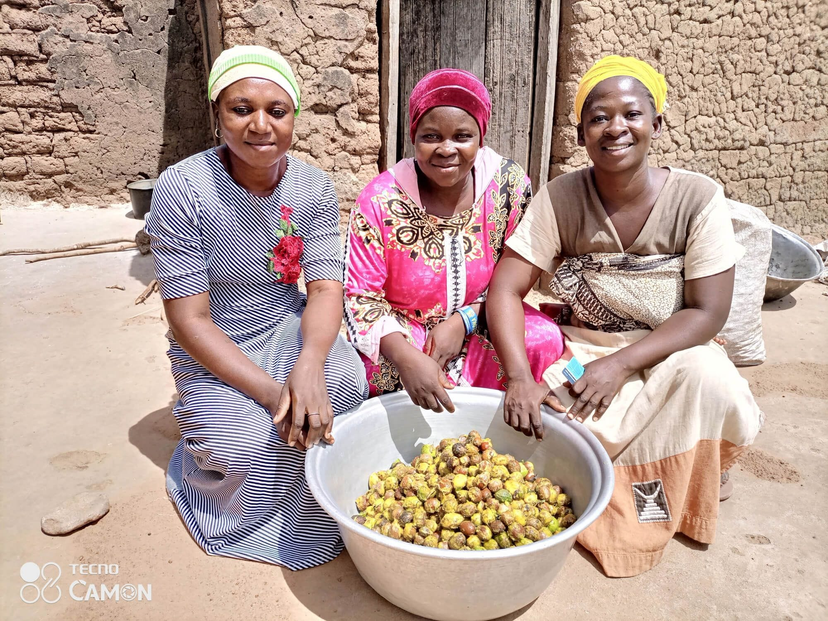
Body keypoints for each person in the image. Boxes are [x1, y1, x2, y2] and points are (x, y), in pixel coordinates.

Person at [487, 56, 762, 577]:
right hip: (582, 352)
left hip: (670, 352)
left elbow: (708, 311)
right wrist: (521, 377)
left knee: (713, 381)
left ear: (656, 123)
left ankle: (681, 485)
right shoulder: (562, 197)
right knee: (541, 419)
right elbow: (506, 286)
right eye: (598, 118)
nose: (616, 128)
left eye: (631, 114)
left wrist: (621, 367)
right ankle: (662, 479)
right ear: (581, 133)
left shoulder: (696, 197)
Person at [144, 45, 367, 570]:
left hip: (289, 331)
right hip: (216, 350)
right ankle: (224, 491)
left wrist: (309, 365)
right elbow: (189, 319)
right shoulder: (185, 188)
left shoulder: (310, 184)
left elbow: (326, 290)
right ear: (218, 113)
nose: (260, 125)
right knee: (247, 445)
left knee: (346, 390)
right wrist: (275, 394)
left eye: (277, 110)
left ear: (294, 116)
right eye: (242, 109)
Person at [344, 69, 565, 410]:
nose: (446, 149)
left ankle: (504, 422)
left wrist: (465, 320)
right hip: (407, 330)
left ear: (481, 137)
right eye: (431, 136)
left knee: (543, 339)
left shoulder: (508, 185)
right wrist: (405, 357)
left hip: (487, 319)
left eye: (462, 136)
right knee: (366, 367)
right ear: (414, 135)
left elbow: (516, 275)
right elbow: (361, 297)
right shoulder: (380, 199)